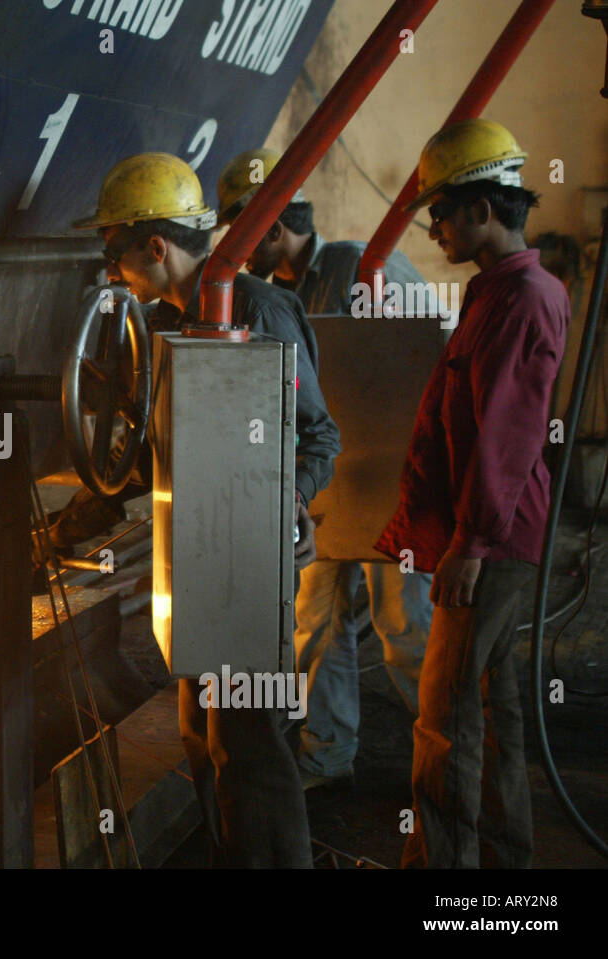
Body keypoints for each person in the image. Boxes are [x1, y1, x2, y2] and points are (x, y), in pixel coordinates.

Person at [69, 151, 341, 866]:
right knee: (200, 734)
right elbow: (144, 447)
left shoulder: (261, 310)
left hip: (247, 558)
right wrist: (82, 515)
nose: (113, 273)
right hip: (192, 561)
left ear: (155, 247)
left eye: (116, 253)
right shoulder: (160, 323)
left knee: (249, 740)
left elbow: (319, 434)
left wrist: (291, 502)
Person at [375, 119, 569, 868]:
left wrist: (471, 544)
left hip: (492, 540)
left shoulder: (521, 297)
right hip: (499, 536)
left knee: (444, 715)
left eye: (443, 212)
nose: (434, 229)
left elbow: (508, 434)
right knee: (497, 707)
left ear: (485, 209)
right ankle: (505, 871)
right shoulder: (501, 292)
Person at [217, 148, 436, 790]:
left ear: (271, 227)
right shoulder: (274, 297)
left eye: (241, 236)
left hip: (393, 485)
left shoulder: (363, 267)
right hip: (323, 490)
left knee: (404, 625)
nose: (236, 253)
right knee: (315, 622)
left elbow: (417, 365)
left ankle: (447, 753)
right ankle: (327, 747)